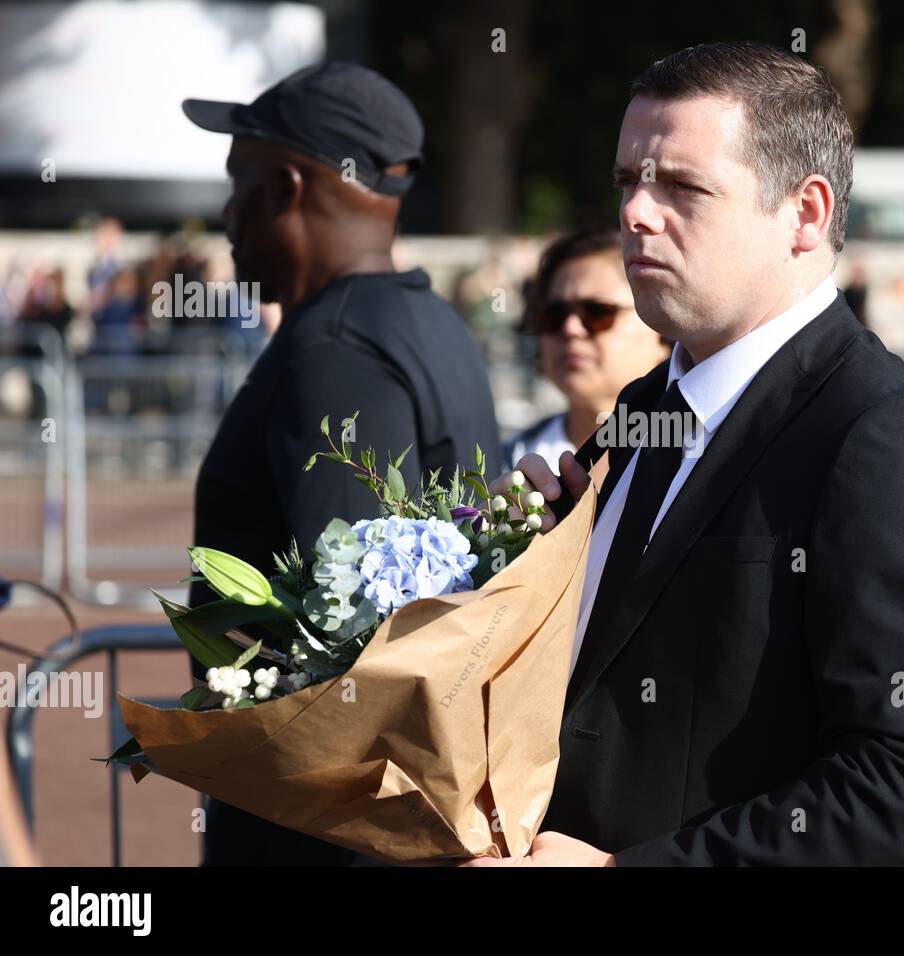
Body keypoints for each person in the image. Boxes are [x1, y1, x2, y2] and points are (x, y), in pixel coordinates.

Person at [476, 41, 904, 866]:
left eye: (682, 186)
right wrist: (534, 565)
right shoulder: (643, 409)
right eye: (629, 183)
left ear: (806, 214)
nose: (637, 214)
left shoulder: (884, 434)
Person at [182, 61, 499, 865]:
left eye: (237, 181)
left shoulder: (333, 349)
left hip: (320, 832)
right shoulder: (432, 321)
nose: (226, 214)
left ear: (286, 187)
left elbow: (344, 638)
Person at [503, 227, 671, 483]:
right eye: (555, 314)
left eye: (597, 313)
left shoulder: (692, 457)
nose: (571, 329)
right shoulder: (505, 463)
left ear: (662, 332)